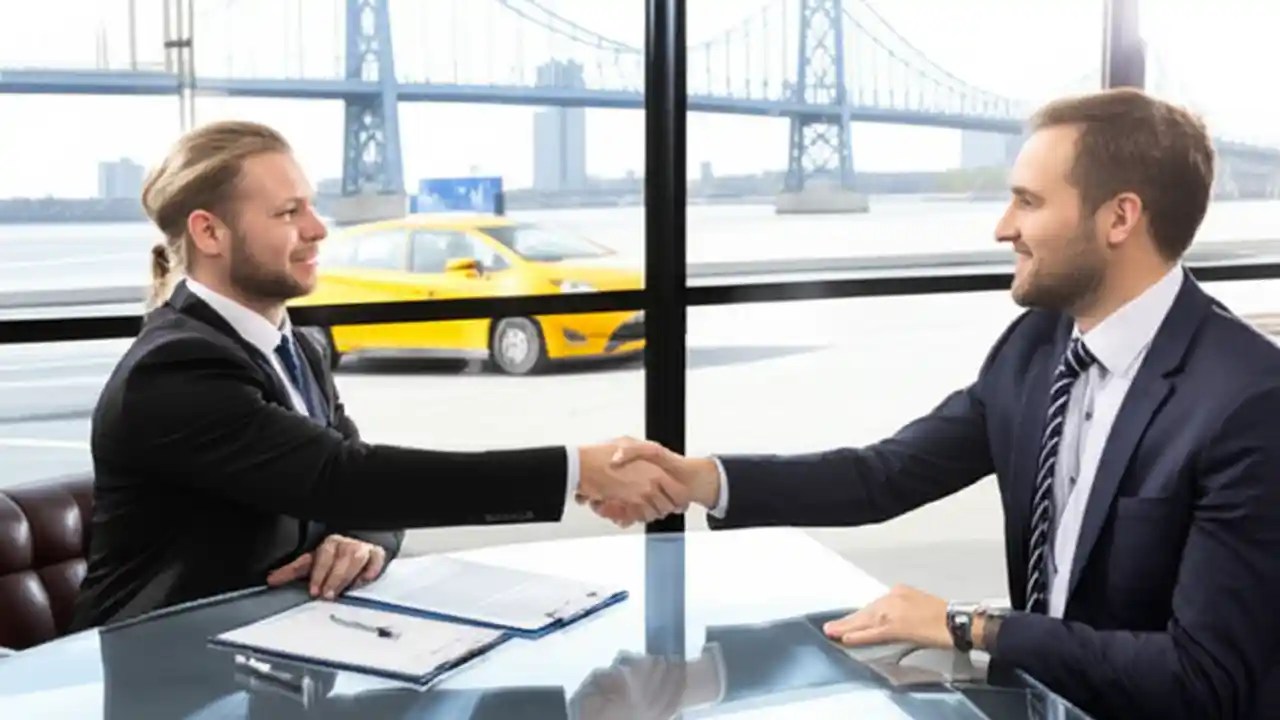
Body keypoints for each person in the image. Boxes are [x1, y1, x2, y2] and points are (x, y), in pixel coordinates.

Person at [606, 88, 1280, 719]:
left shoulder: (1247, 401)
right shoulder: (1037, 346)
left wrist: (970, 626)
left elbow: (1203, 681)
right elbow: (884, 474)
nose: (1002, 227)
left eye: (1028, 202)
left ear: (1120, 218)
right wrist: (704, 480)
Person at [71, 120, 684, 631]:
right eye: (289, 212)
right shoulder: (174, 369)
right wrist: (578, 470)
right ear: (209, 231)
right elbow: (347, 478)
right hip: (165, 669)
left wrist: (363, 540)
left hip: (280, 647)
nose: (317, 229)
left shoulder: (299, 349)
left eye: (310, 206)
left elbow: (365, 497)